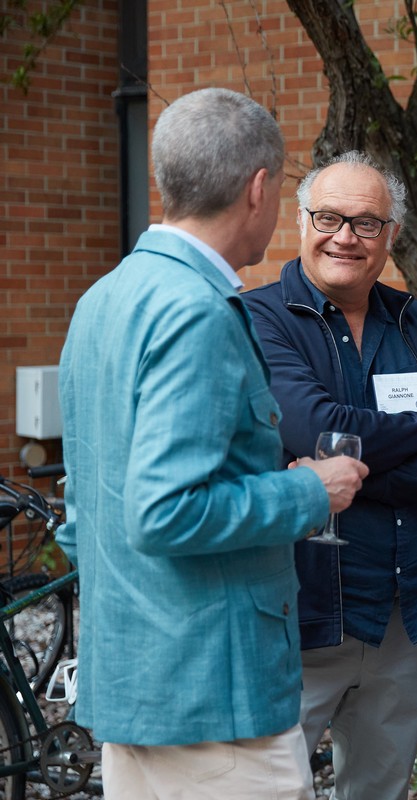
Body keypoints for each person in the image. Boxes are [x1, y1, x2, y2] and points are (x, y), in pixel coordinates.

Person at [57, 88, 368, 798]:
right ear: (259, 189)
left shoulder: (102, 298)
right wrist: (309, 489)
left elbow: (85, 516)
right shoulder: (196, 310)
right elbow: (166, 510)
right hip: (214, 707)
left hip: (135, 688)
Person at [243, 151, 417, 800]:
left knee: (380, 791)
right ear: (300, 223)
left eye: (366, 223)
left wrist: (337, 478)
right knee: (264, 789)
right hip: (296, 614)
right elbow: (307, 425)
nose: (345, 237)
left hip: (400, 617)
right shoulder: (260, 318)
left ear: (392, 236)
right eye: (328, 217)